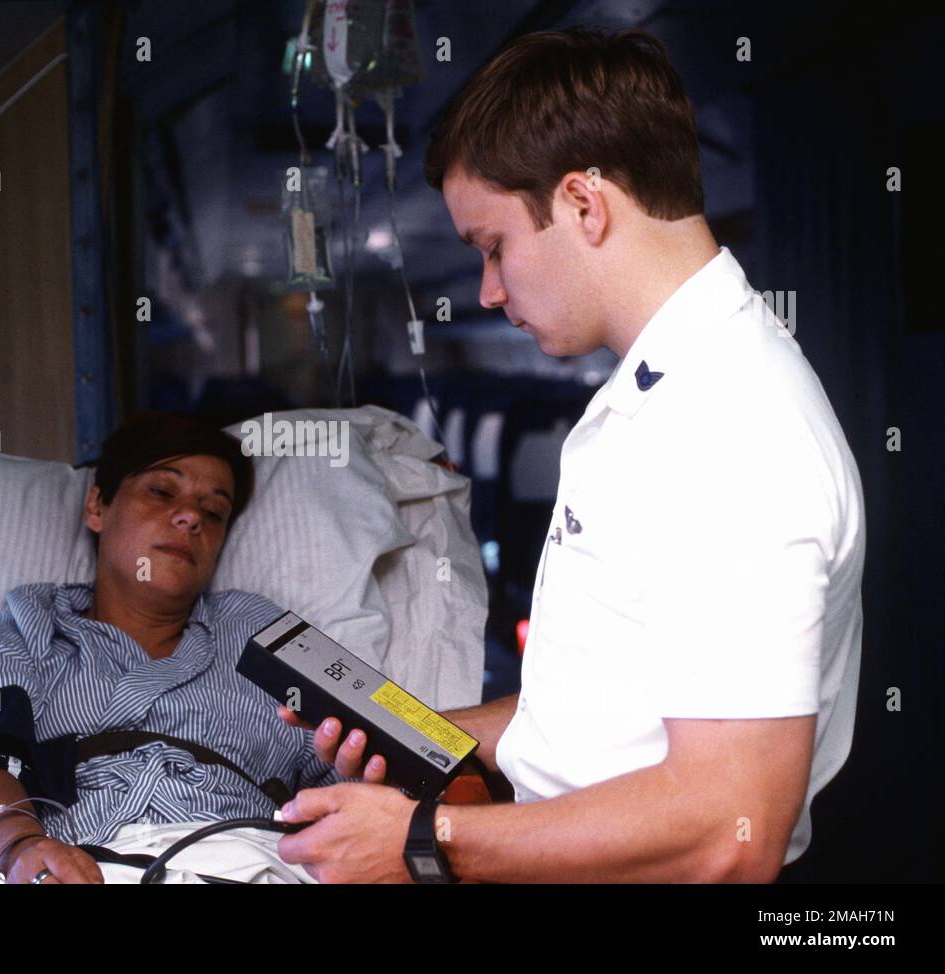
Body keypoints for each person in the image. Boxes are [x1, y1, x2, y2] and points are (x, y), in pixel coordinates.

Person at [276, 26, 865, 883]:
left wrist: (423, 841)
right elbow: (594, 721)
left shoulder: (731, 423)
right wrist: (413, 733)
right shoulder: (656, 393)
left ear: (585, 204)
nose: (488, 290)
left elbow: (730, 832)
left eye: (494, 247)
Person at [0, 411, 344, 884]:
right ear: (97, 506)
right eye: (162, 492)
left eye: (214, 512)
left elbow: (369, 753)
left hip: (241, 862)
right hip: (61, 865)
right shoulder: (26, 627)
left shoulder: (264, 630)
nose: (190, 518)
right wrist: (17, 847)